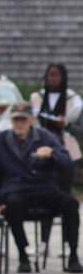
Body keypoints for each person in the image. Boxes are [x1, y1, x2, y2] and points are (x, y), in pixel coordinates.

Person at [0, 102, 82, 273]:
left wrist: (52, 155)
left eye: (23, 120)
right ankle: (23, 256)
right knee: (12, 203)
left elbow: (67, 163)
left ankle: (73, 256)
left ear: (32, 120)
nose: (20, 123)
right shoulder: (1, 140)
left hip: (44, 189)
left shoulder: (46, 137)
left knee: (70, 204)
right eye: (16, 119)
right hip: (17, 190)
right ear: (11, 120)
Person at [30, 63, 82, 193]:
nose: (53, 78)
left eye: (57, 75)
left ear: (63, 77)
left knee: (64, 186)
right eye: (50, 75)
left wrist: (66, 124)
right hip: (41, 145)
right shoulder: (37, 97)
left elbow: (80, 130)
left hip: (66, 147)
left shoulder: (73, 99)